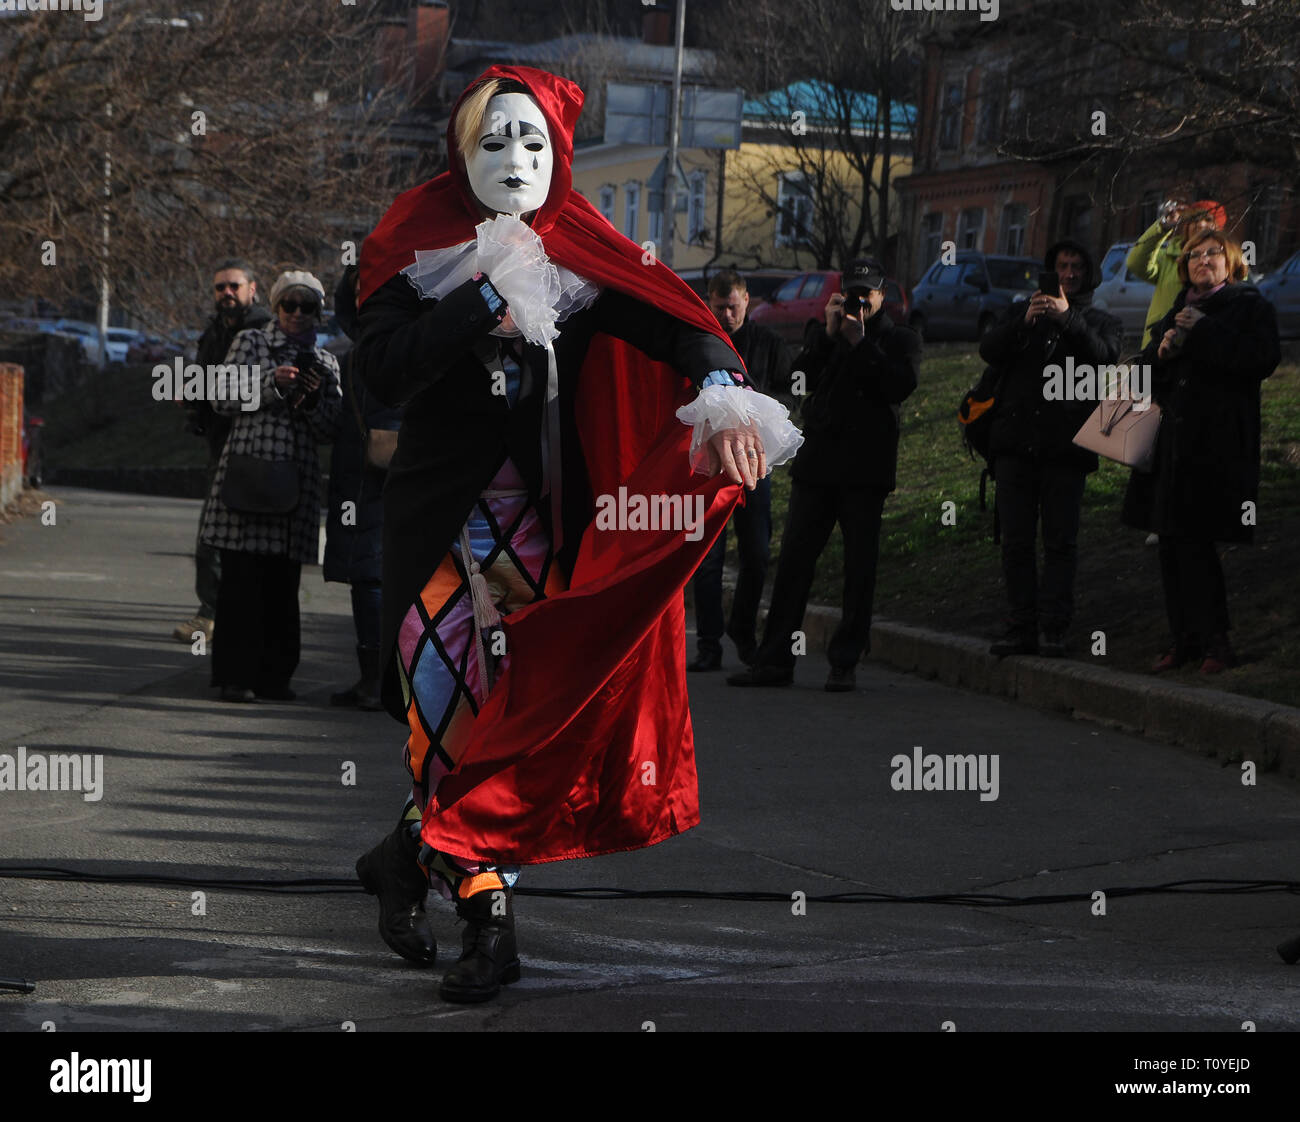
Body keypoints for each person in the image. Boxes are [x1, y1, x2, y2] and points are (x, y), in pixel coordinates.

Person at [351, 66, 800, 1003]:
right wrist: (481, 296)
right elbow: (381, 376)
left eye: (534, 142)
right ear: (458, 151)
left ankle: (434, 879)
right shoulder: (410, 247)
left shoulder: (583, 255)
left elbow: (680, 320)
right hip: (440, 534)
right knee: (446, 727)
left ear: (558, 157)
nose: (515, 158)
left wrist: (721, 386)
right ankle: (469, 903)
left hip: (548, 534)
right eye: (493, 140)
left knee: (510, 729)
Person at [727, 257, 918, 692]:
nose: (856, 304)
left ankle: (844, 663)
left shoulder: (899, 339)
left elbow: (899, 386)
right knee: (793, 564)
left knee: (858, 569)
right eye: (849, 294)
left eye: (864, 296)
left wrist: (861, 342)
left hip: (865, 474)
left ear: (881, 297)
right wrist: (830, 338)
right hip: (817, 469)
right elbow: (796, 381)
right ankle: (774, 660)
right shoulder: (824, 335)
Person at [1122, 229, 1279, 673]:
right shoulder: (1176, 312)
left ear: (1232, 263)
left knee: (1198, 545)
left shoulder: (1249, 306)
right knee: (1170, 545)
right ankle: (1183, 640)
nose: (1203, 260)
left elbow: (1261, 360)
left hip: (1216, 447)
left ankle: (1217, 643)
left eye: (1214, 253)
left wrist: (1206, 331)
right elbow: (1145, 378)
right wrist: (1161, 354)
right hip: (1168, 451)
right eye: (1194, 255)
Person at [199, 271, 341, 703]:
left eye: (307, 307)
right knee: (240, 581)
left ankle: (275, 677)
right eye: (289, 305)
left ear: (319, 312)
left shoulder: (326, 360)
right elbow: (219, 397)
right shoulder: (250, 342)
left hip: (293, 484)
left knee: (283, 586)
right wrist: (270, 384)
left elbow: (330, 429)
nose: (297, 314)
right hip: (246, 475)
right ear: (276, 306)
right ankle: (234, 676)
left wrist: (312, 401)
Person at [980, 240, 1122, 658]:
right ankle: (1021, 623)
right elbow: (989, 349)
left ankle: (1054, 627)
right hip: (1015, 448)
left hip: (1067, 451)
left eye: (1077, 266)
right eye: (1061, 266)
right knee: (1016, 542)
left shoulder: (1101, 320)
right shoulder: (1022, 313)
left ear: (1088, 273)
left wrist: (1069, 320)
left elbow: (1105, 357)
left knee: (1061, 542)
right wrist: (1025, 322)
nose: (1069, 274)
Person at [687, 269, 791, 670]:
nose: (728, 314)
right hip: (710, 469)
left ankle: (742, 632)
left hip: (754, 464)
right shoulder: (701, 343)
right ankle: (709, 645)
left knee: (757, 554)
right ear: (709, 304)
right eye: (720, 307)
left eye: (733, 306)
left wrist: (758, 413)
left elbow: (789, 392)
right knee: (707, 559)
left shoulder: (768, 344)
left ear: (747, 300)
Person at [173, 259, 270, 645]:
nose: (226, 293)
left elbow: (251, 388)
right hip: (221, 445)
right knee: (213, 534)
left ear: (252, 288)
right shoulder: (215, 332)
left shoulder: (261, 331)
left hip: (254, 448)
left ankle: (222, 615)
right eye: (220, 288)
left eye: (233, 286)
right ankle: (214, 613)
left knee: (233, 536)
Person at [322, 266, 402, 710]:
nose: (360, 298)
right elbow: (335, 421)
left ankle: (380, 681)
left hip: (394, 477)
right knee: (364, 578)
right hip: (358, 476)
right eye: (354, 291)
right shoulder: (350, 356)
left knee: (374, 579)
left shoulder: (400, 343)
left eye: (368, 288)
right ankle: (372, 678)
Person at [1126, 199, 1226, 348]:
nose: (1200, 224)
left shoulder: (1227, 262)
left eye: (1208, 219)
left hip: (1206, 349)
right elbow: (1135, 263)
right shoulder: (1168, 257)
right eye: (1194, 219)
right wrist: (1163, 227)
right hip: (1159, 347)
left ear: (1218, 227)